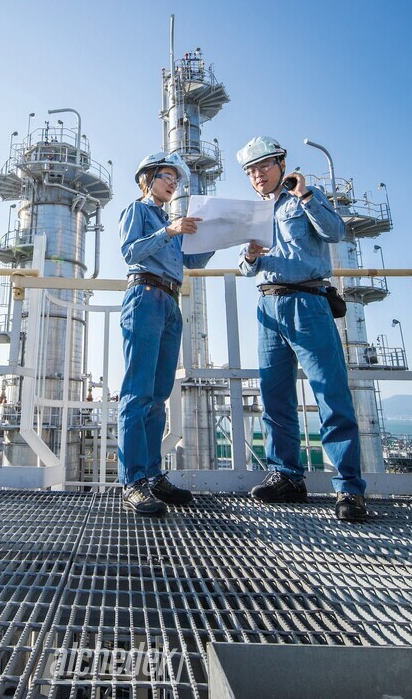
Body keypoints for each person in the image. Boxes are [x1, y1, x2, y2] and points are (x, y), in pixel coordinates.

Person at [237, 136, 369, 522]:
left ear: (282, 164)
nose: (257, 175)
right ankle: (287, 476)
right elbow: (244, 269)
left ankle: (349, 489)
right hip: (268, 304)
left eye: (264, 165)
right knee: (274, 396)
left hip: (308, 302)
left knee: (330, 392)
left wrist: (307, 195)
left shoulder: (304, 198)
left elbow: (335, 233)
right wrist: (249, 255)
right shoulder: (252, 213)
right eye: (250, 170)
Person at [116, 151, 213, 516]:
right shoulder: (137, 211)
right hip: (144, 296)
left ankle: (153, 475)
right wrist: (169, 231)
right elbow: (130, 252)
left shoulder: (169, 223)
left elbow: (192, 260)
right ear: (147, 180)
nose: (173, 183)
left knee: (158, 396)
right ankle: (133, 481)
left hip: (170, 303)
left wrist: (217, 235)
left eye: (175, 179)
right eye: (166, 177)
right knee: (137, 393)